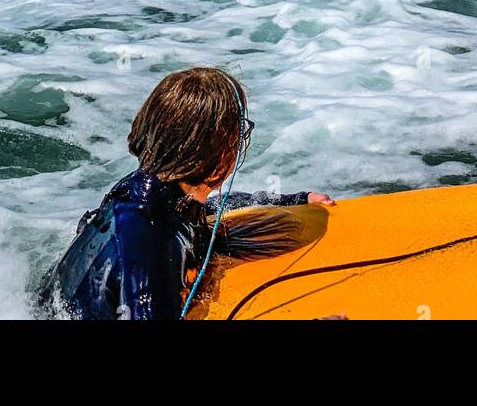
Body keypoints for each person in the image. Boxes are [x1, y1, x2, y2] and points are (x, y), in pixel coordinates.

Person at [40, 67, 332, 321]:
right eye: (239, 132)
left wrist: (288, 200)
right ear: (214, 153)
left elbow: (207, 209)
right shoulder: (152, 241)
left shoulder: (146, 192)